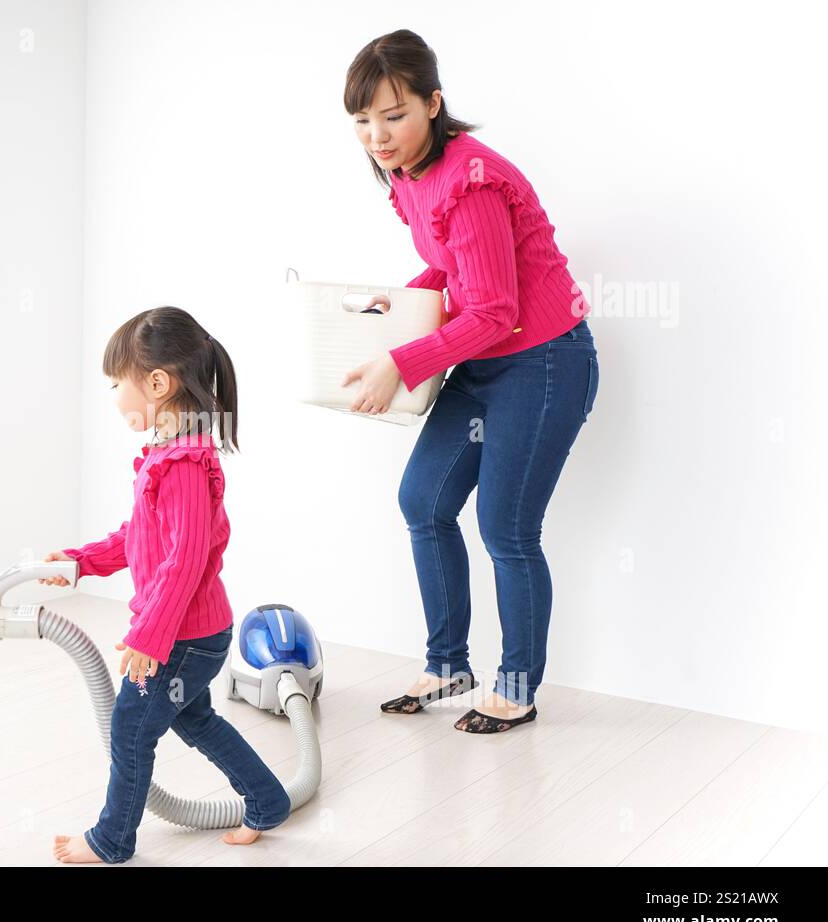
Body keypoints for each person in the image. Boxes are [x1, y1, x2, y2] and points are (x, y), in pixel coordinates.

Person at [340, 30, 600, 733]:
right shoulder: (408, 176)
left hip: (544, 362)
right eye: (362, 120)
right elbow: (457, 266)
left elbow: (494, 311)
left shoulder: (471, 178)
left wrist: (400, 361)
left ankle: (516, 687)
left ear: (434, 103)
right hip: (485, 362)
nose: (377, 135)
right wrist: (395, 304)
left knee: (506, 528)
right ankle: (448, 665)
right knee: (423, 499)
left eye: (394, 115)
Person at [41, 306, 292, 863]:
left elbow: (184, 560)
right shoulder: (167, 454)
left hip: (182, 636)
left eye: (115, 383)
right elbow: (142, 535)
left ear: (156, 382)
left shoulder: (182, 463)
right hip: (191, 631)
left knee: (131, 727)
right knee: (195, 718)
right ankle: (269, 801)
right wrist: (82, 561)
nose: (113, 396)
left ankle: (111, 839)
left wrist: (150, 640)